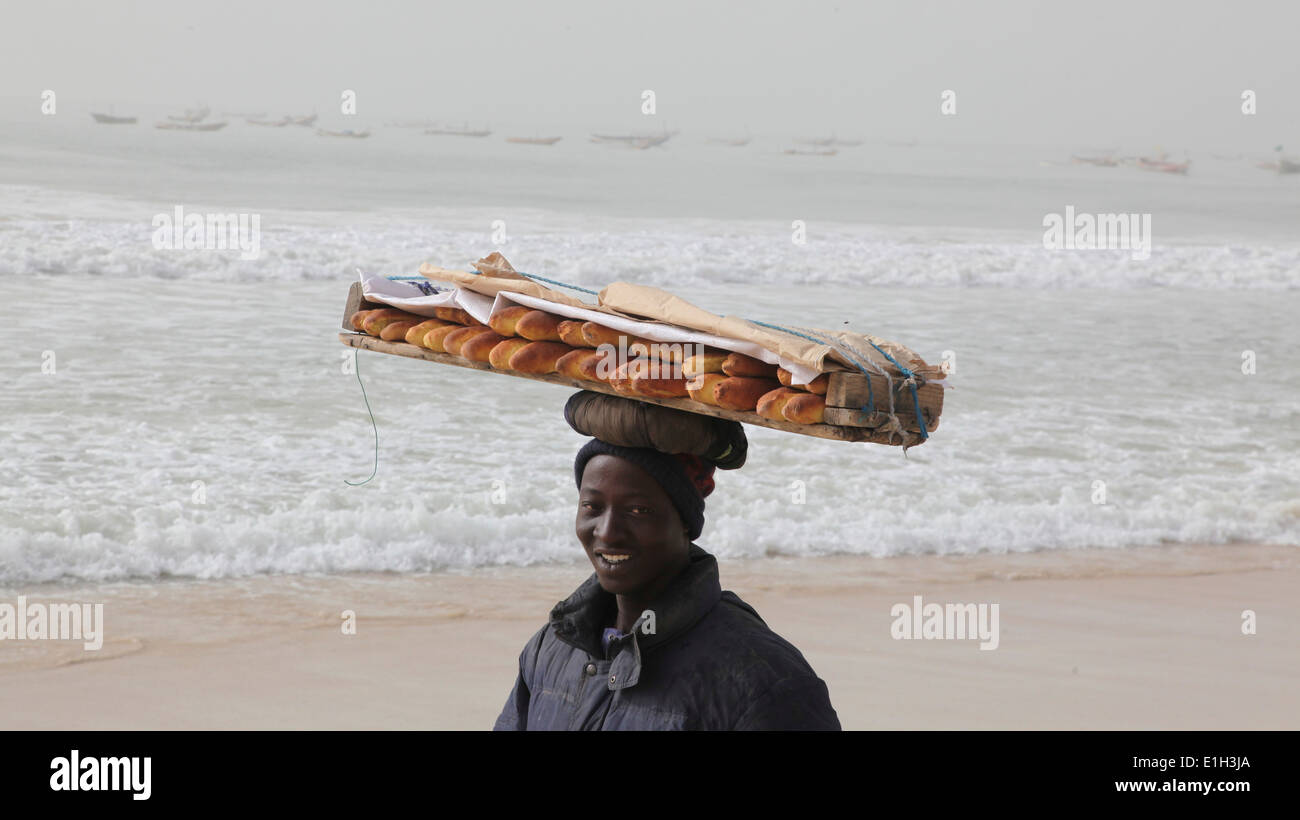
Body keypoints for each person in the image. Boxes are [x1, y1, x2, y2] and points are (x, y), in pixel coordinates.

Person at [493, 429, 841, 731]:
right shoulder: (551, 648)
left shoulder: (767, 681)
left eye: (638, 510)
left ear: (685, 521)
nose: (608, 532)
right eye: (592, 507)